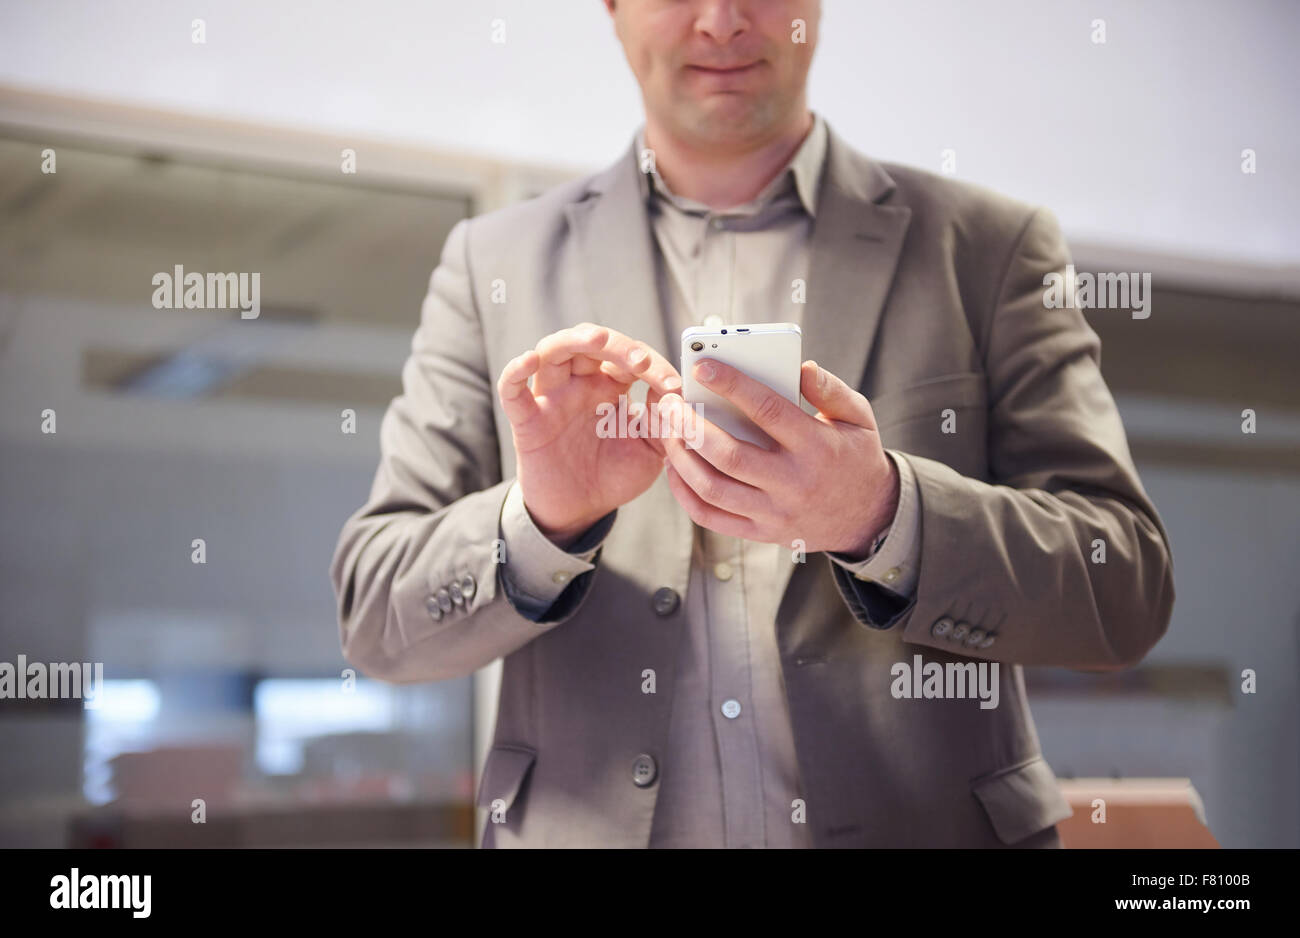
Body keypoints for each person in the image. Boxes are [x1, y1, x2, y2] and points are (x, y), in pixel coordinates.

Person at [329, 0, 1175, 848]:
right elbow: (376, 617)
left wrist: (884, 514)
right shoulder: (491, 266)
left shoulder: (990, 248)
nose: (722, 20)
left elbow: (1124, 588)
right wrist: (540, 523)